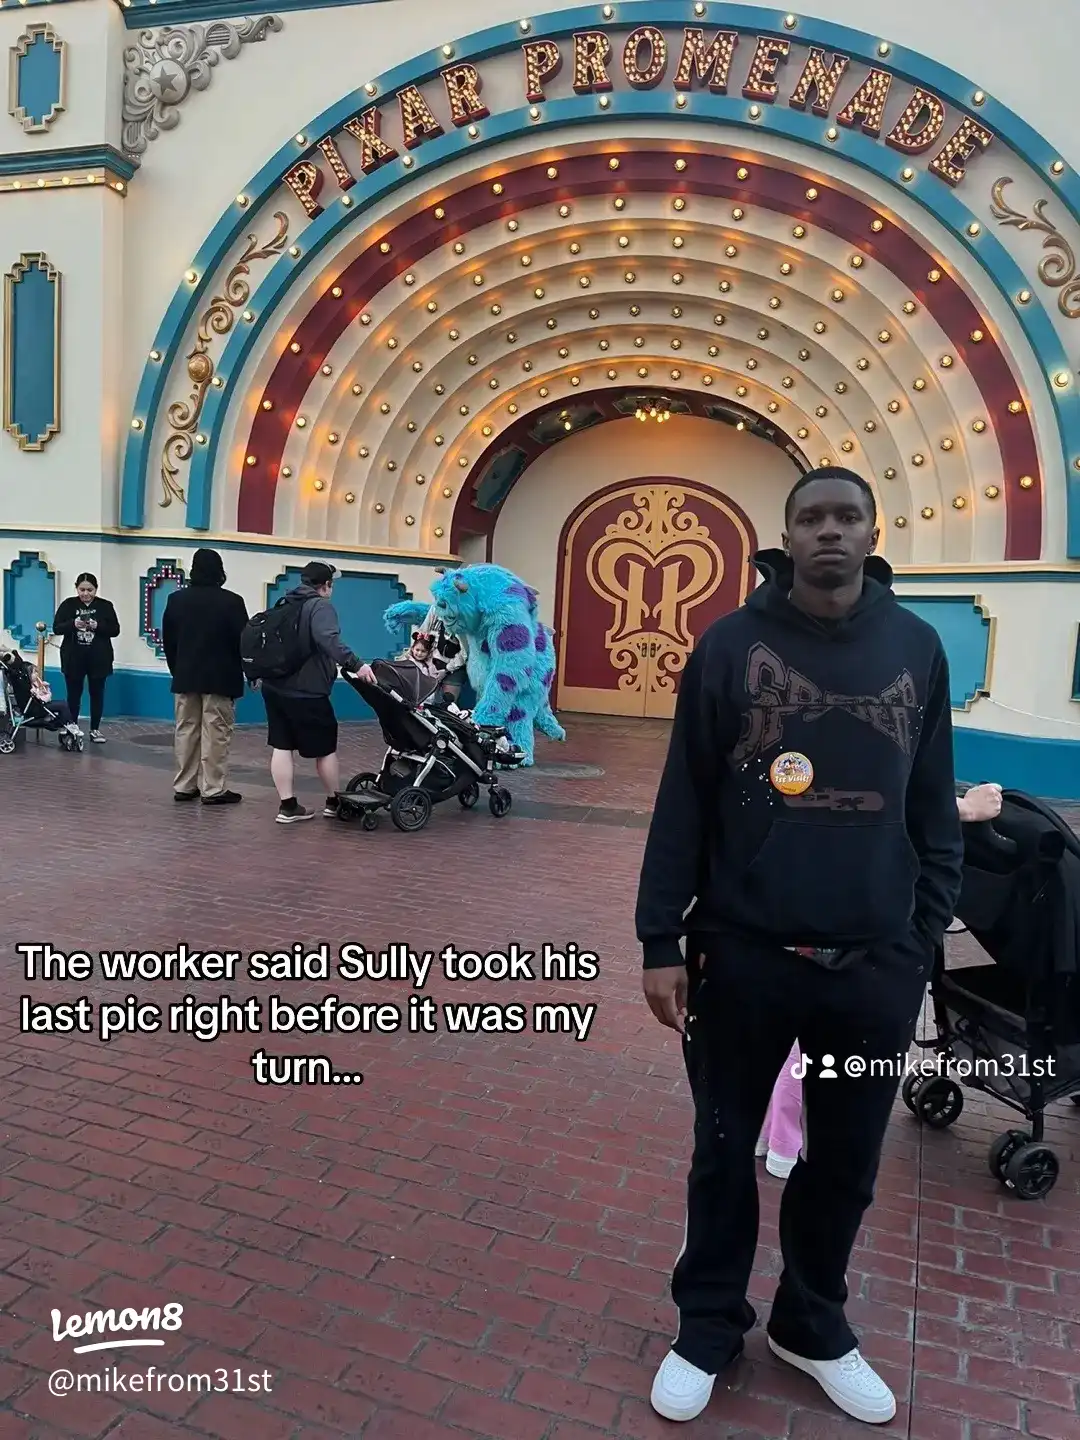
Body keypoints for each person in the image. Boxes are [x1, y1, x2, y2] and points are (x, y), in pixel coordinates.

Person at [635, 466, 963, 1427]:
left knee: (846, 1163)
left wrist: (920, 933)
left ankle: (812, 1325)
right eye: (811, 518)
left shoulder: (918, 648)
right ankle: (706, 1326)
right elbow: (683, 801)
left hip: (872, 970)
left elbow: (931, 802)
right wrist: (662, 938)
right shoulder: (732, 647)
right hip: (743, 960)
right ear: (785, 536)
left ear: (871, 531)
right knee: (724, 1151)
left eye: (846, 517)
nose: (830, 532)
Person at [260, 560, 375, 824]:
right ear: (326, 585)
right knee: (324, 748)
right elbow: (328, 640)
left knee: (282, 744)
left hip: (275, 687)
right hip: (307, 690)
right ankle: (334, 802)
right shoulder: (320, 607)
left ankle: (287, 806)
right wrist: (357, 664)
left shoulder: (284, 603)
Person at [161, 548, 249, 806]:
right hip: (221, 679)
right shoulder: (232, 602)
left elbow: (169, 641)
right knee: (216, 731)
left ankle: (185, 785)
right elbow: (242, 642)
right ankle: (213, 788)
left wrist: (177, 670)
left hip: (186, 676)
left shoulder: (176, 600)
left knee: (186, 730)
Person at [52, 574, 120, 743]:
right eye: (82, 590)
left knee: (97, 693)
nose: (86, 594)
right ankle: (71, 725)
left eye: (90, 590)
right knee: (74, 694)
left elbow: (115, 629)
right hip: (73, 657)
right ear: (77, 588)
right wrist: (73, 624)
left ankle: (95, 729)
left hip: (99, 658)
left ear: (96, 589)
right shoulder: (68, 605)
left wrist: (98, 626)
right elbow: (57, 627)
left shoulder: (105, 606)